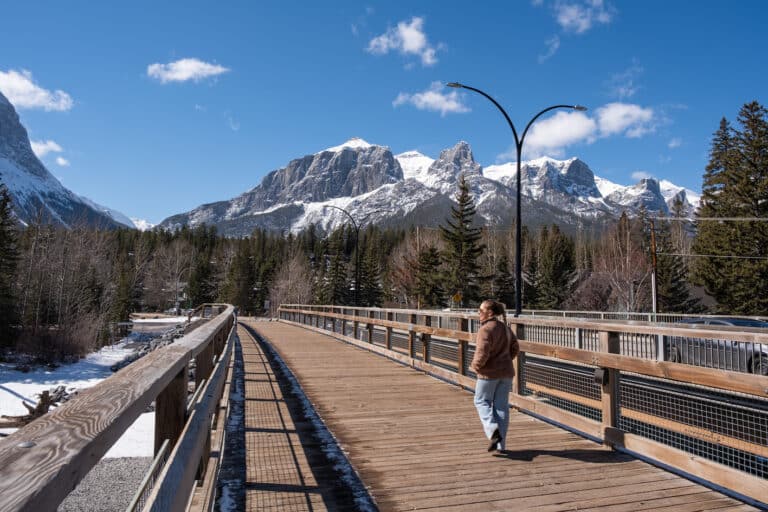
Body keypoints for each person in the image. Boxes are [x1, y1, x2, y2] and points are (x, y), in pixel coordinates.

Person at [470, 299, 520, 452]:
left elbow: (482, 352)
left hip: (488, 374)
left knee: (481, 401)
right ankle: (500, 445)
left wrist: (475, 366)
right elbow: (515, 347)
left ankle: (493, 431)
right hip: (506, 372)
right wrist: (505, 360)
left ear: (489, 313)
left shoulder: (485, 329)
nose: (478, 313)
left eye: (480, 311)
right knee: (501, 407)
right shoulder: (505, 328)